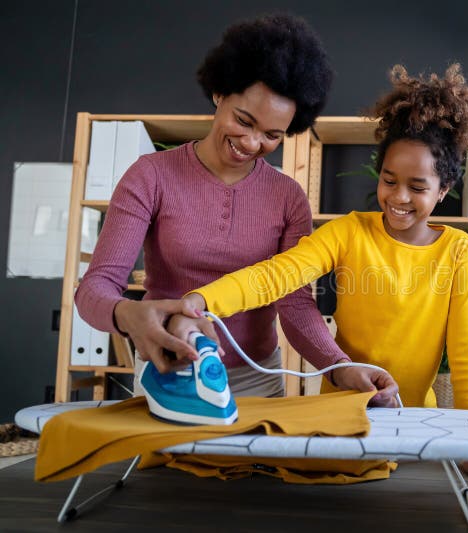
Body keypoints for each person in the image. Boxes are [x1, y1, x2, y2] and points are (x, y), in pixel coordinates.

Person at [169, 63, 468, 481]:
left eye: (418, 186)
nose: (399, 197)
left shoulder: (456, 250)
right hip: (342, 416)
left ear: (443, 190)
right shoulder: (349, 232)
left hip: (416, 425)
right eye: (389, 180)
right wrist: (203, 300)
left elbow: (466, 353)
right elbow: (276, 275)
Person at [74, 14, 397, 404]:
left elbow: (293, 303)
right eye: (243, 120)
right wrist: (126, 315)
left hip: (259, 380)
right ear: (219, 93)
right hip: (171, 371)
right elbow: (95, 287)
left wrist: (339, 366)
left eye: (272, 135)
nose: (251, 141)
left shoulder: (287, 197)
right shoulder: (151, 176)